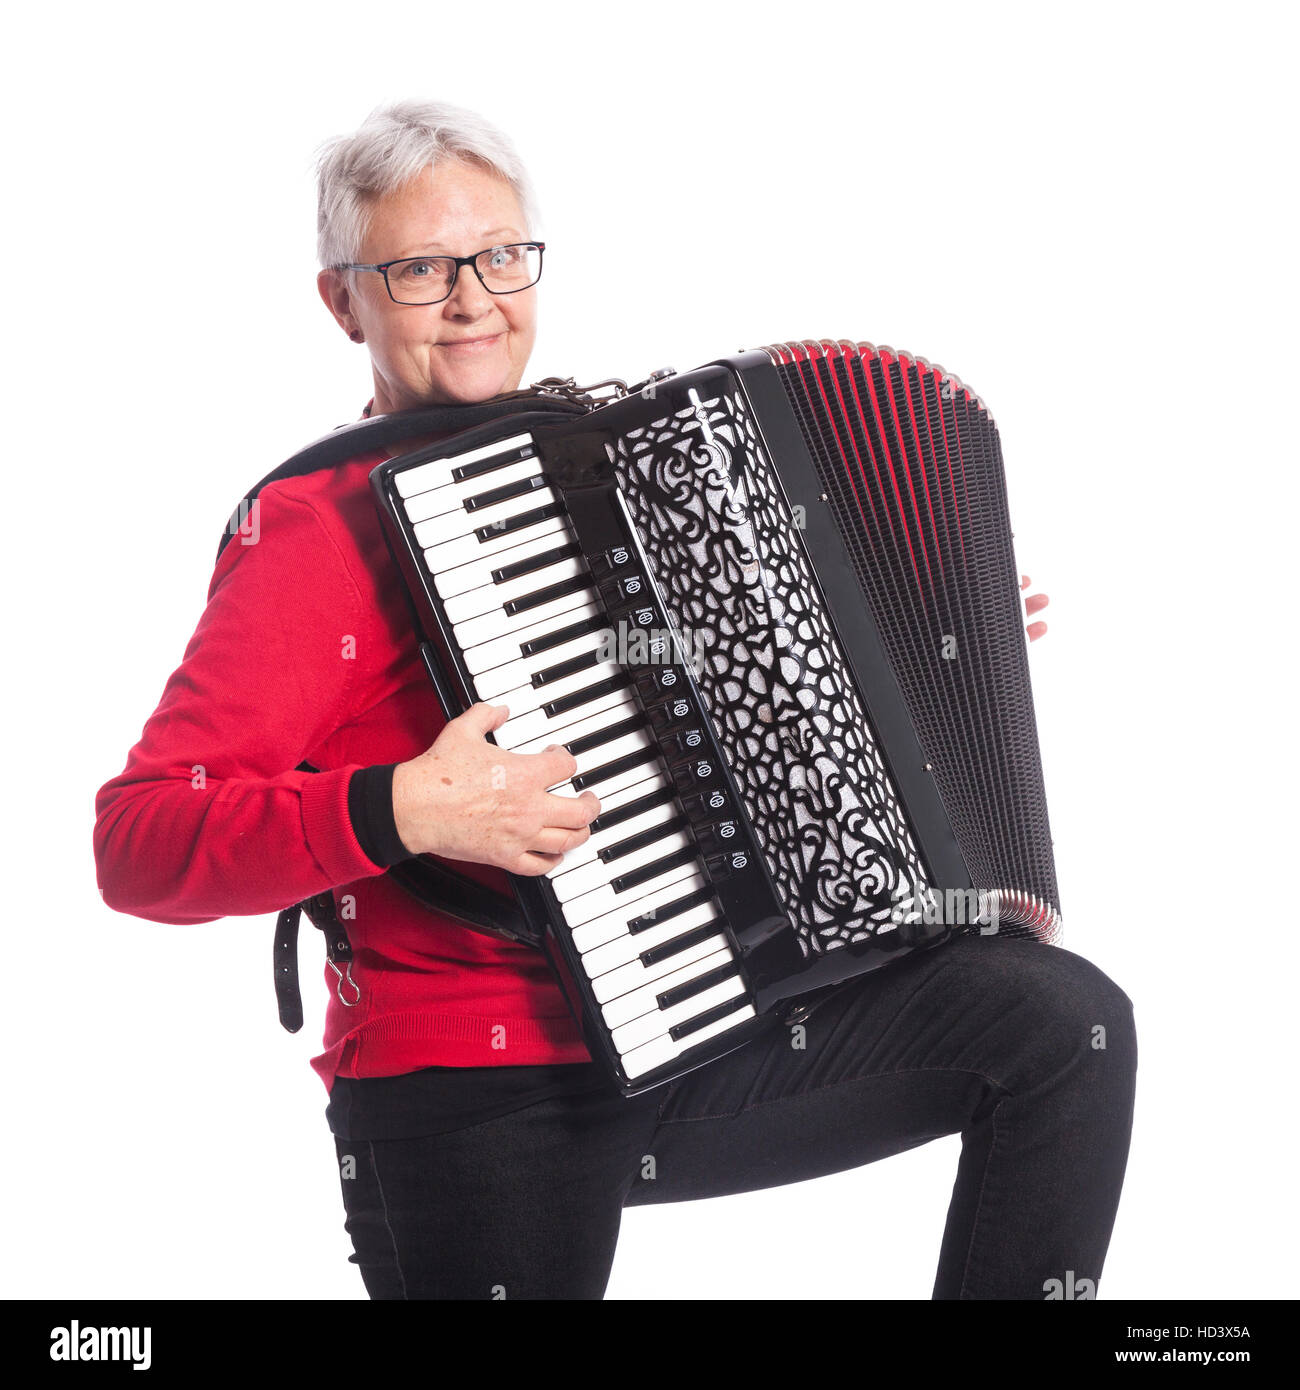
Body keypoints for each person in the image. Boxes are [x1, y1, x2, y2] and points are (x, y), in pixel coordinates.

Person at [93, 98, 1136, 1301]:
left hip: (680, 1025)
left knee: (1060, 1029)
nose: (474, 298)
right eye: (421, 268)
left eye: (498, 255)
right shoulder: (314, 531)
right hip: (474, 1090)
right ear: (344, 300)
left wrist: (909, 642)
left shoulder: (590, 462)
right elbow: (139, 839)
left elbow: (713, 688)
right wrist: (401, 810)